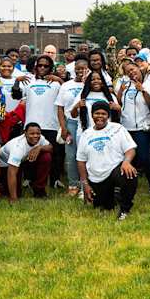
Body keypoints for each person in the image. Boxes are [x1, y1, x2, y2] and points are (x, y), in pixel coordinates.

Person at [77, 101, 139, 219]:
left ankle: (125, 208)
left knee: (129, 173)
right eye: (97, 113)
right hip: (96, 178)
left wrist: (126, 162)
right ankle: (114, 195)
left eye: (103, 113)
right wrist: (85, 184)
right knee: (103, 206)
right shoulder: (86, 134)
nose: (100, 116)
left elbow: (131, 149)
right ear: (92, 115)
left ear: (108, 115)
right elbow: (81, 161)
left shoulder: (118, 128)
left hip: (114, 170)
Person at [116, 61, 150, 197]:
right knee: (128, 159)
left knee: (144, 157)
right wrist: (120, 92)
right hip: (126, 127)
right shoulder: (125, 86)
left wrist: (142, 90)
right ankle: (128, 185)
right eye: (127, 71)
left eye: (133, 69)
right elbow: (119, 104)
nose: (131, 72)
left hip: (142, 127)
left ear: (139, 69)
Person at [56, 57, 89, 197]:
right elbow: (60, 108)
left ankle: (86, 185)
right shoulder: (66, 85)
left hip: (87, 123)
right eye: (78, 69)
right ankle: (73, 184)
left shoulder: (91, 84)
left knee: (86, 154)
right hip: (71, 122)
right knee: (71, 155)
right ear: (74, 70)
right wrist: (63, 127)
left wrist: (86, 83)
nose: (81, 71)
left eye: (84, 69)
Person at [0, 123, 52, 199]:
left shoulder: (40, 138)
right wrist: (14, 198)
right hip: (5, 165)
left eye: (38, 133)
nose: (35, 136)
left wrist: (40, 148)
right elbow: (11, 173)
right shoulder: (18, 147)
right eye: (32, 134)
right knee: (15, 193)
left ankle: (39, 190)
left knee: (46, 157)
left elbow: (50, 147)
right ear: (25, 133)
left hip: (23, 160)